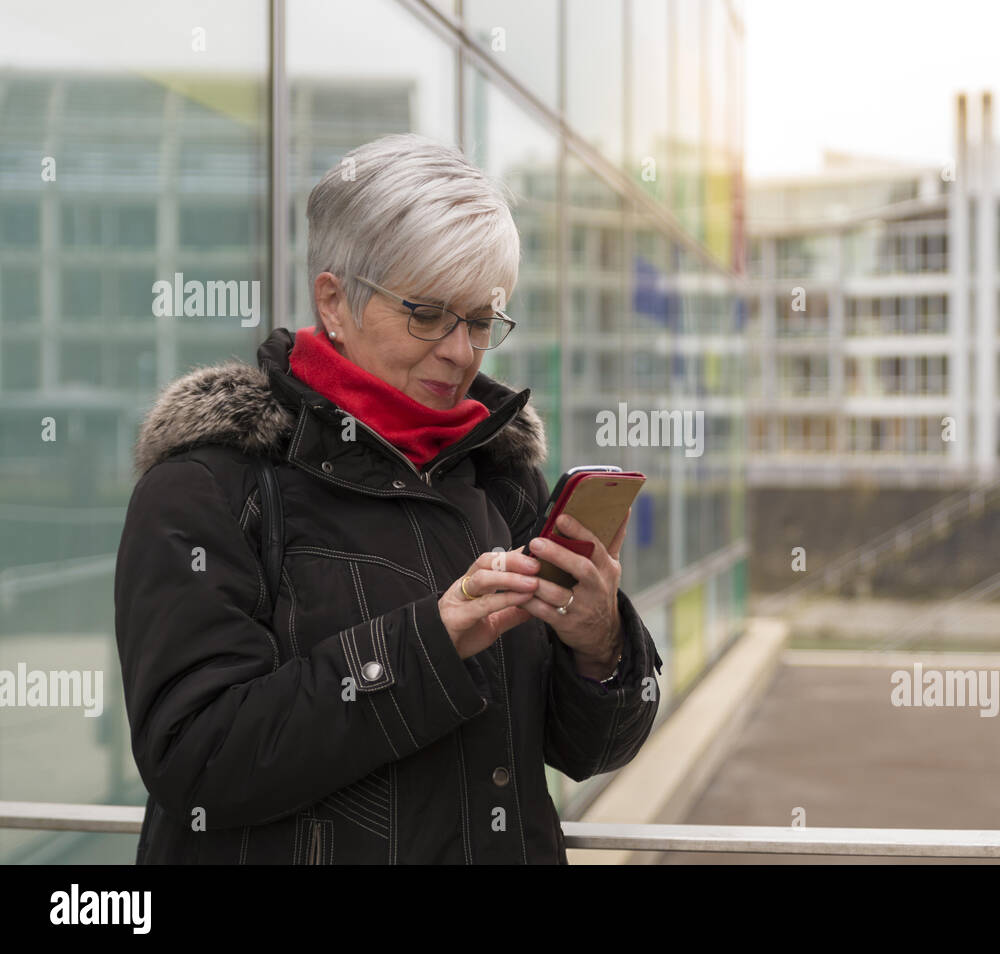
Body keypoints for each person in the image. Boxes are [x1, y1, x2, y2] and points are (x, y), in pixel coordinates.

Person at [114, 133, 662, 864]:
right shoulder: (211, 485)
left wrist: (598, 644)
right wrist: (425, 646)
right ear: (335, 302)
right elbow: (196, 761)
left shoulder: (500, 476)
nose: (461, 351)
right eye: (427, 314)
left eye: (479, 320)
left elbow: (588, 751)